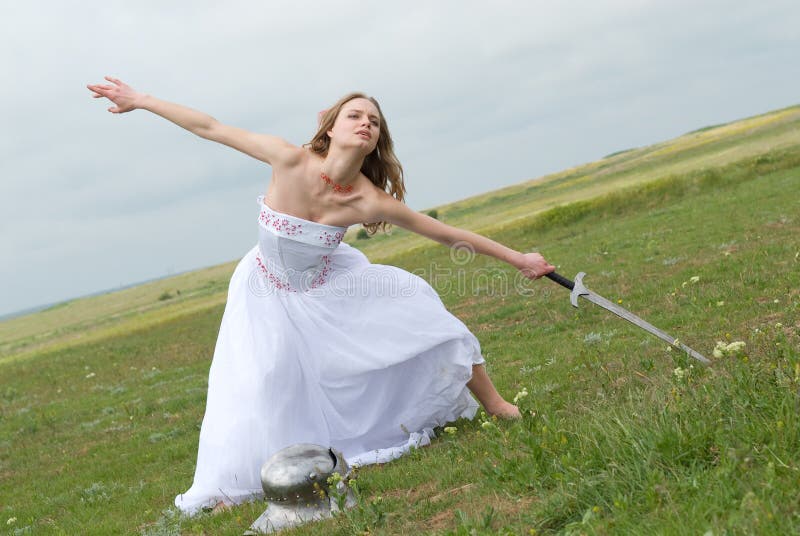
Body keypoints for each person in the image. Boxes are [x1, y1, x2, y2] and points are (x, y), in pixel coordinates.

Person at [87, 76, 556, 514]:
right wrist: (141, 100)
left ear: (376, 140)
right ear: (329, 127)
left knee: (422, 314)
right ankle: (236, 483)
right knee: (265, 382)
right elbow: (209, 127)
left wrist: (519, 259)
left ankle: (497, 405)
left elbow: (446, 232)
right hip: (264, 291)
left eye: (373, 121)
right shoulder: (287, 158)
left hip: (327, 285)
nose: (365, 124)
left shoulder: (368, 200)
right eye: (355, 115)